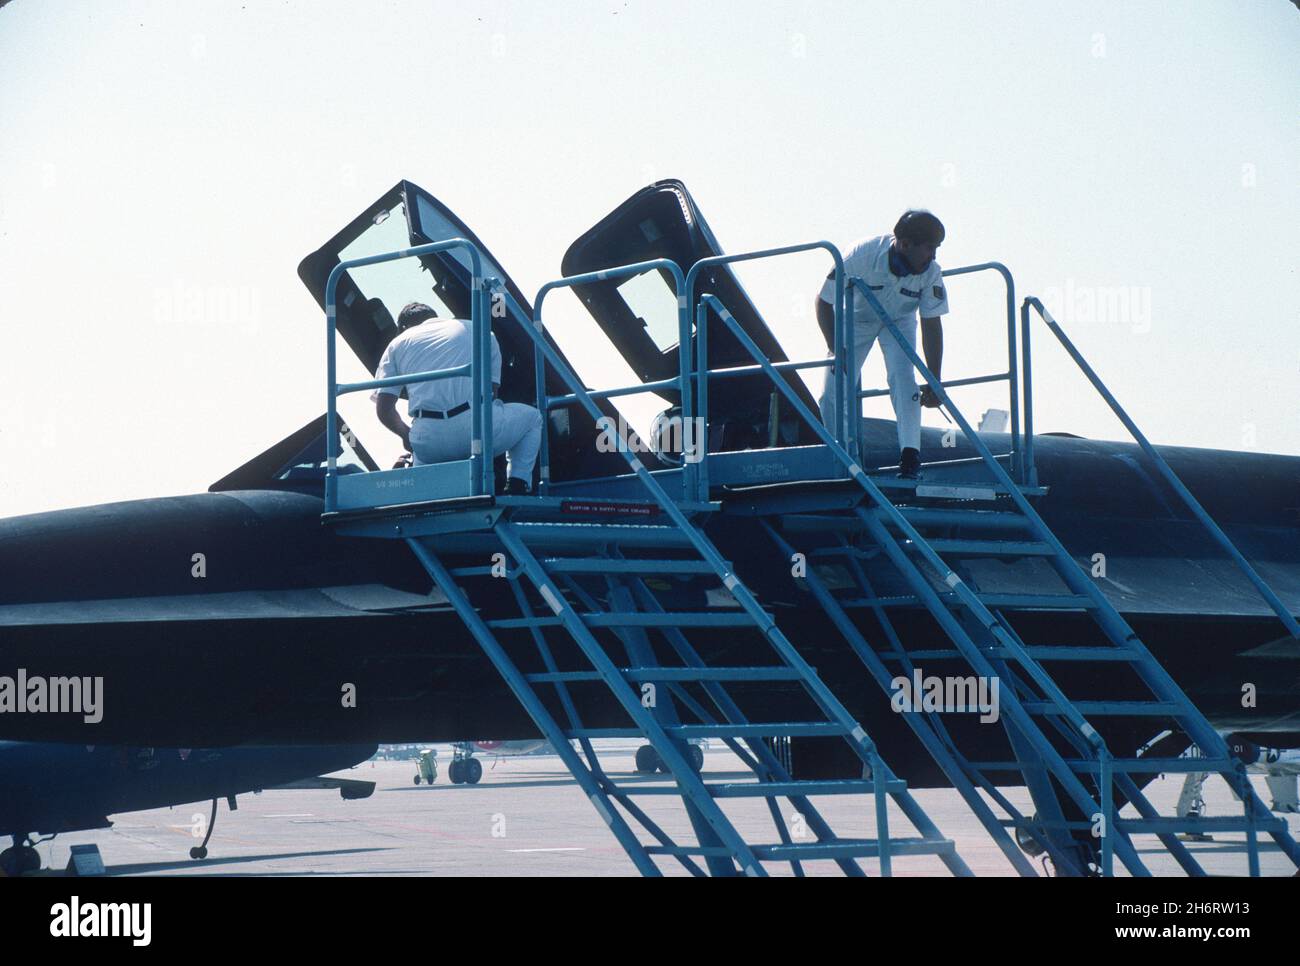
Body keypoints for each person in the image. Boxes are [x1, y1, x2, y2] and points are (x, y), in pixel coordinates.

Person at [817, 210, 949, 479]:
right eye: (928, 248)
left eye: (936, 249)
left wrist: (935, 378)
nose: (933, 256)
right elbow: (824, 302)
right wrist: (834, 347)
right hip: (857, 321)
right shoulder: (859, 257)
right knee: (831, 391)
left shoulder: (931, 273)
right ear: (905, 244)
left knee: (903, 378)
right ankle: (842, 459)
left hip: (899, 321)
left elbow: (931, 324)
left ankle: (910, 456)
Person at [372, 302, 542, 495]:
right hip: (476, 435)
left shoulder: (397, 344)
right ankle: (517, 484)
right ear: (435, 316)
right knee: (532, 418)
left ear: (403, 327)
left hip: (429, 443)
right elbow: (491, 394)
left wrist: (405, 434)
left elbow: (384, 409)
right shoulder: (478, 330)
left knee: (422, 481)